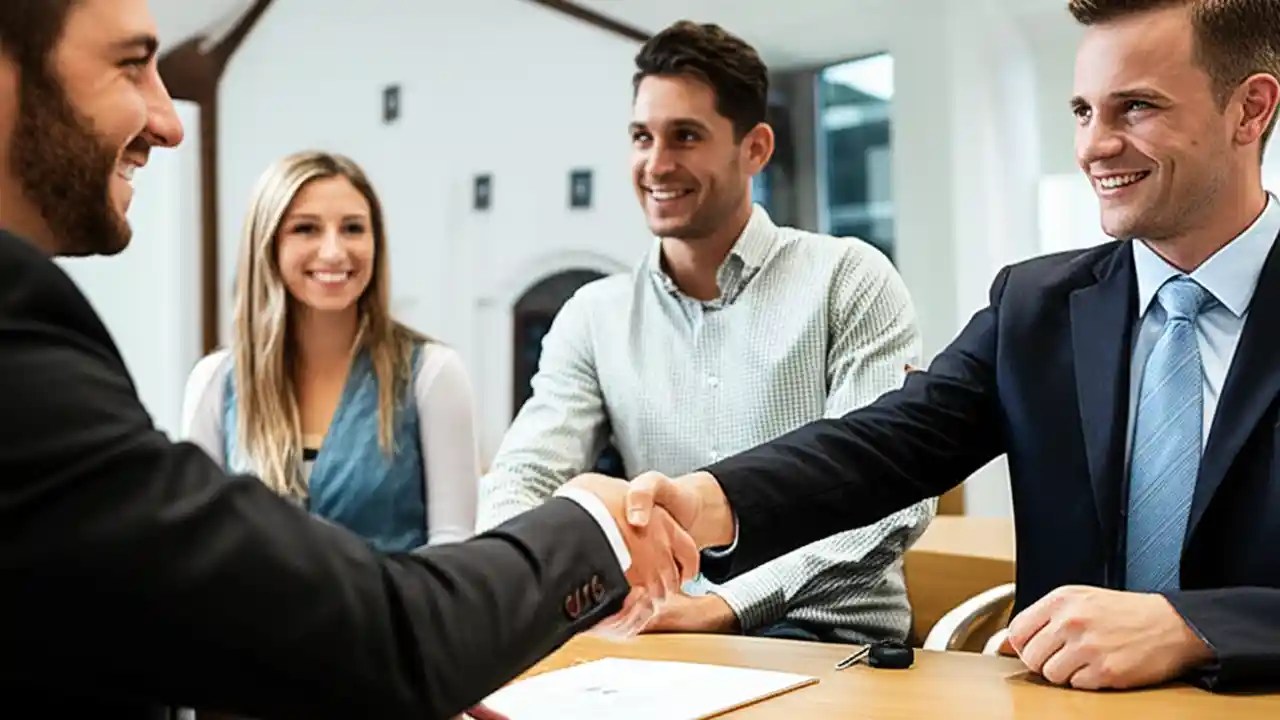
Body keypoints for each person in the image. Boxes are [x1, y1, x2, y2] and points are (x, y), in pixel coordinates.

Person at [0, 1, 695, 717]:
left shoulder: (429, 372)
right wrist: (587, 526)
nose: (170, 120)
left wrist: (451, 656)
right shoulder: (64, 348)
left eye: (353, 229)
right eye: (128, 64)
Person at [620, 0, 1280, 693]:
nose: (1093, 147)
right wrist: (709, 499)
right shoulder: (1036, 307)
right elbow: (885, 445)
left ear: (1250, 110)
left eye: (1136, 108)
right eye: (1083, 112)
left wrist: (1191, 626)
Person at [476, 20, 934, 644]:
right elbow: (523, 476)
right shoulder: (594, 315)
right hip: (656, 637)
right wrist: (515, 581)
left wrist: (722, 607)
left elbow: (894, 492)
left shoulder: (848, 280)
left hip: (822, 641)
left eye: (685, 136)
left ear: (756, 149)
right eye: (642, 136)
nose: (656, 164)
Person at [182, 151, 478, 552]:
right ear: (267, 243)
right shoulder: (216, 381)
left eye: (353, 228)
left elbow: (452, 549)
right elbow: (200, 541)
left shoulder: (433, 374)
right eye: (306, 229)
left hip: (392, 614)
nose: (334, 252)